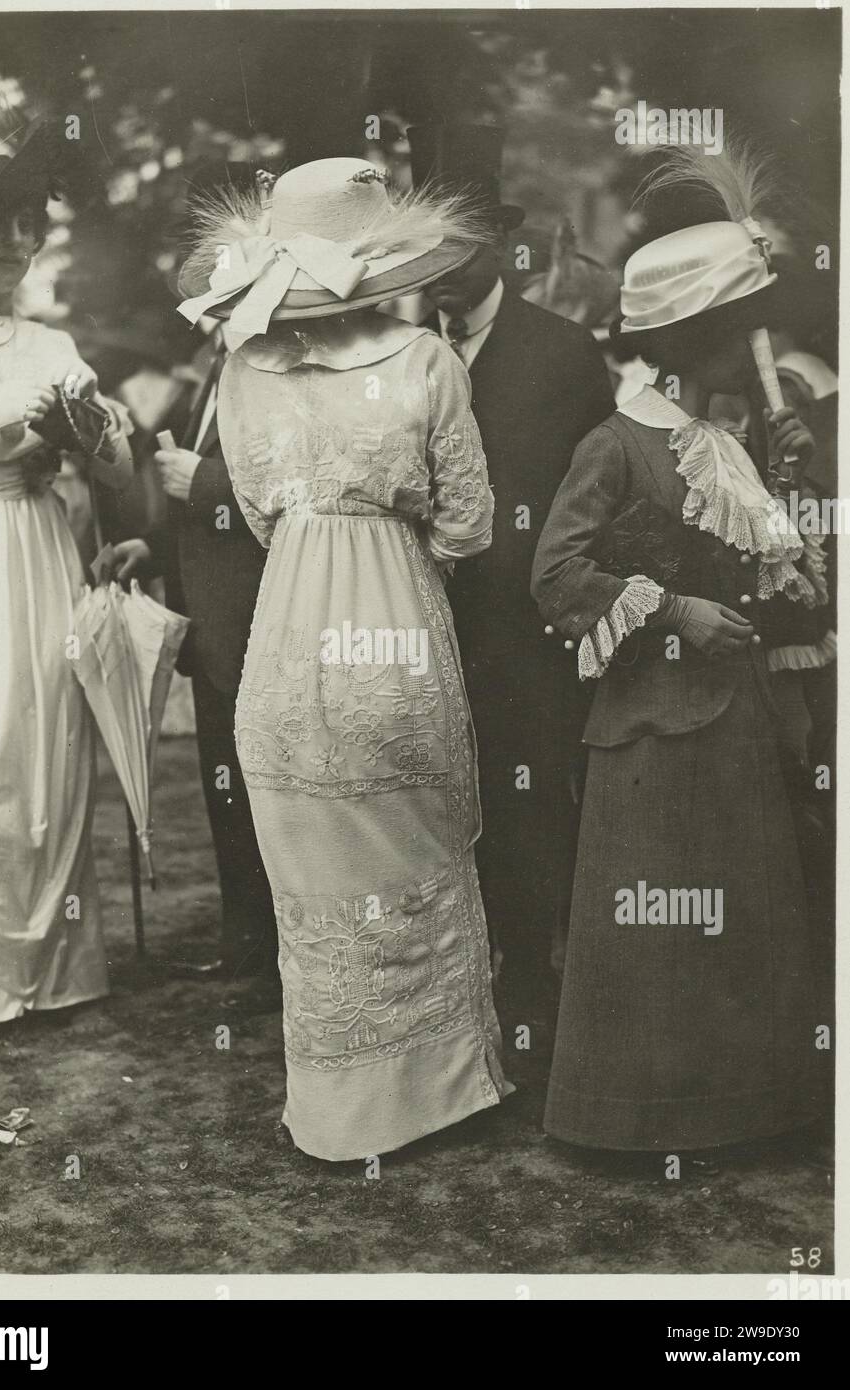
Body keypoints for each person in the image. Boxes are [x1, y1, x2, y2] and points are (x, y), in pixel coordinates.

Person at [176, 155, 513, 1161]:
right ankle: (435, 1089)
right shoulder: (423, 361)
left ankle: (335, 1109)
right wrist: (399, 551)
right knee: (414, 848)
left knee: (317, 877)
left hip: (287, 642)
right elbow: (468, 525)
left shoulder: (243, 368)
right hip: (393, 622)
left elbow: (250, 507)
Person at [531, 215, 827, 1154]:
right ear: (689, 341)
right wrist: (670, 612)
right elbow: (554, 574)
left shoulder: (726, 448)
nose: (757, 348)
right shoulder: (615, 445)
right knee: (653, 931)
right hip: (652, 731)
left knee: (734, 926)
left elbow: (789, 593)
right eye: (739, 327)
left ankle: (738, 1115)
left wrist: (790, 488)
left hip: (737, 727)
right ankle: (637, 1121)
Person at [0, 126, 133, 1025]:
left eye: (27, 226)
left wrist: (94, 430)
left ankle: (56, 971)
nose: (15, 245)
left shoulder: (53, 342)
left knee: (50, 744)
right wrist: (9, 409)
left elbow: (116, 472)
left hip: (41, 547)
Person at [405, 123, 616, 1006]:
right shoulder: (398, 357)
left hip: (523, 628)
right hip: (419, 620)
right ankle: (456, 973)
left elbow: (599, 501)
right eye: (422, 248)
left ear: (497, 243)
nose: (441, 265)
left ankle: (535, 979)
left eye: (459, 244)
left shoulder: (559, 352)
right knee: (433, 801)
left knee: (528, 801)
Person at [112, 165, 275, 980]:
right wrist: (149, 544)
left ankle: (283, 951)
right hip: (210, 620)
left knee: (271, 789)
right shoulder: (211, 373)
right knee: (225, 789)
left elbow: (300, 487)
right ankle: (245, 940)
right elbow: (181, 496)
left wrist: (203, 485)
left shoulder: (283, 371)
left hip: (267, 616)